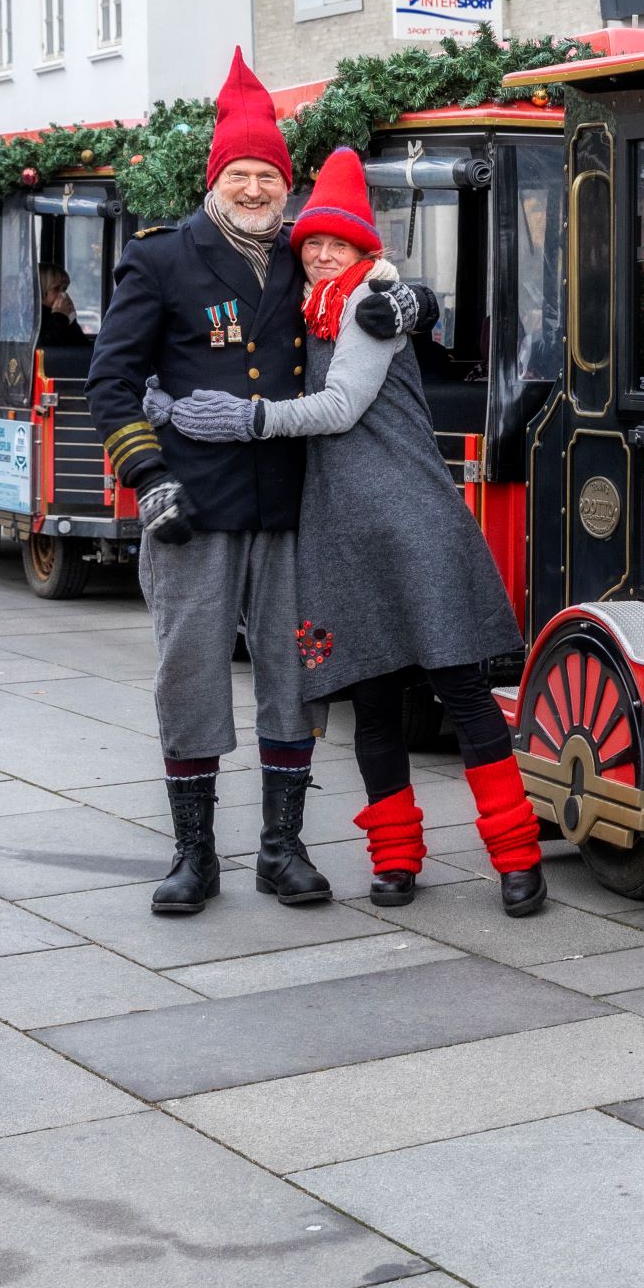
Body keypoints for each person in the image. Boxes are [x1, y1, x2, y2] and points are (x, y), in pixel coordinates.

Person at [150, 149, 544, 917]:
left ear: (367, 250)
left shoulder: (367, 304)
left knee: (463, 693)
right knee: (373, 705)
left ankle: (517, 855)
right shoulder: (307, 305)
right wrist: (166, 399)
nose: (323, 253)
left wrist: (247, 418)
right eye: (313, 245)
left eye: (340, 244)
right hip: (340, 535)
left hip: (410, 524)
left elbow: (337, 407)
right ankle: (395, 858)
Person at [87, 48, 426, 917]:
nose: (253, 189)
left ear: (286, 183)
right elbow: (112, 383)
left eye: (267, 175)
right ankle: (194, 855)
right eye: (238, 173)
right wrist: (147, 473)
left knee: (293, 675)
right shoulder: (161, 260)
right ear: (216, 179)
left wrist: (413, 300)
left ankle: (283, 847)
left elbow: (373, 285)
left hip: (291, 508)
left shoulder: (305, 258)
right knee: (190, 674)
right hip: (191, 511)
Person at [39, 264, 90, 349]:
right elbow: (46, 350)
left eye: (64, 289)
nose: (63, 294)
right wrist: (59, 316)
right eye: (56, 289)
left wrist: (71, 319)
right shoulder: (34, 319)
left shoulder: (62, 318)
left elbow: (82, 348)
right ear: (41, 290)